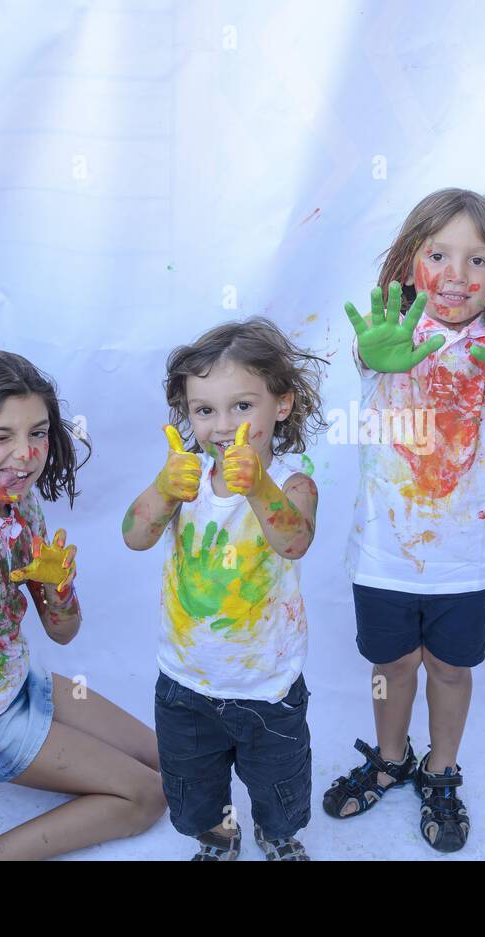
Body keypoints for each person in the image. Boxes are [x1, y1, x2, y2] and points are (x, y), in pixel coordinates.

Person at [324, 188, 485, 852]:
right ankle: (390, 757)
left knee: (448, 667)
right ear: (410, 262)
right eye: (438, 254)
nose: (457, 275)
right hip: (384, 551)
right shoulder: (387, 336)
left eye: (478, 261)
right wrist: (375, 354)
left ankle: (441, 769)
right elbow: (370, 360)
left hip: (467, 556)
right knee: (392, 662)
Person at [0, 349, 166, 860]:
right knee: (147, 797)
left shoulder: (19, 500)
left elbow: (63, 632)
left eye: (37, 433)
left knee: (167, 759)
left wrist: (56, 585)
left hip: (20, 683)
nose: (26, 454)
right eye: (1, 437)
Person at [123, 318, 326, 860]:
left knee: (279, 786)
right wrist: (163, 489)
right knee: (193, 789)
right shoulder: (184, 479)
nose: (221, 425)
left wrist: (256, 483)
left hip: (267, 687)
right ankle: (218, 835)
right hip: (186, 685)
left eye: (242, 406)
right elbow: (135, 537)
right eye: (204, 409)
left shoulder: (291, 481)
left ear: (280, 405)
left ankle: (276, 834)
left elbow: (293, 542)